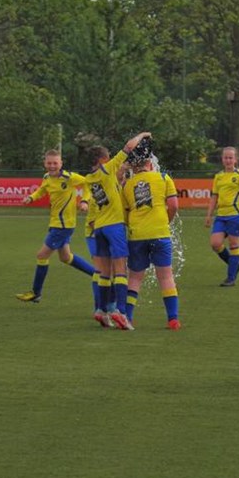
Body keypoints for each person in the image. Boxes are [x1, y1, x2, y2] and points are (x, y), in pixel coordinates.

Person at [83, 132, 151, 330]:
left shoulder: (90, 179)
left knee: (104, 273)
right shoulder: (107, 170)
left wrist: (127, 169)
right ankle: (120, 312)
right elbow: (128, 147)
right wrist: (143, 135)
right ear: (104, 159)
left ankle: (101, 311)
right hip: (114, 226)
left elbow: (116, 177)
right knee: (121, 270)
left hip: (100, 228)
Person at [15, 149, 96, 304]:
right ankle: (98, 275)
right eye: (49, 163)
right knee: (66, 257)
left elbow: (88, 184)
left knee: (42, 255)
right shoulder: (46, 177)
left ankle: (36, 293)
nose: (52, 166)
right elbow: (42, 190)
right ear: (45, 163)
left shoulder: (69, 177)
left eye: (55, 163)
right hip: (55, 223)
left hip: (64, 225)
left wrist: (85, 201)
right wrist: (31, 198)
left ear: (61, 163)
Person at [120, 138, 181, 329]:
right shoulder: (163, 178)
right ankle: (173, 319)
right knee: (165, 276)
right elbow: (173, 206)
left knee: (135, 277)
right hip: (159, 232)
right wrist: (165, 221)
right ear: (150, 161)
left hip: (137, 235)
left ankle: (128, 317)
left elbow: (126, 214)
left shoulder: (128, 185)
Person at [205, 146, 239, 287]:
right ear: (222, 159)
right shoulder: (218, 176)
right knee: (215, 243)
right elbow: (214, 197)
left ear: (236, 159)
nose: (228, 160)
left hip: (235, 216)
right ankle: (235, 264)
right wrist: (209, 215)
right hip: (221, 216)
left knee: (234, 245)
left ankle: (231, 278)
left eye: (231, 157)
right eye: (226, 157)